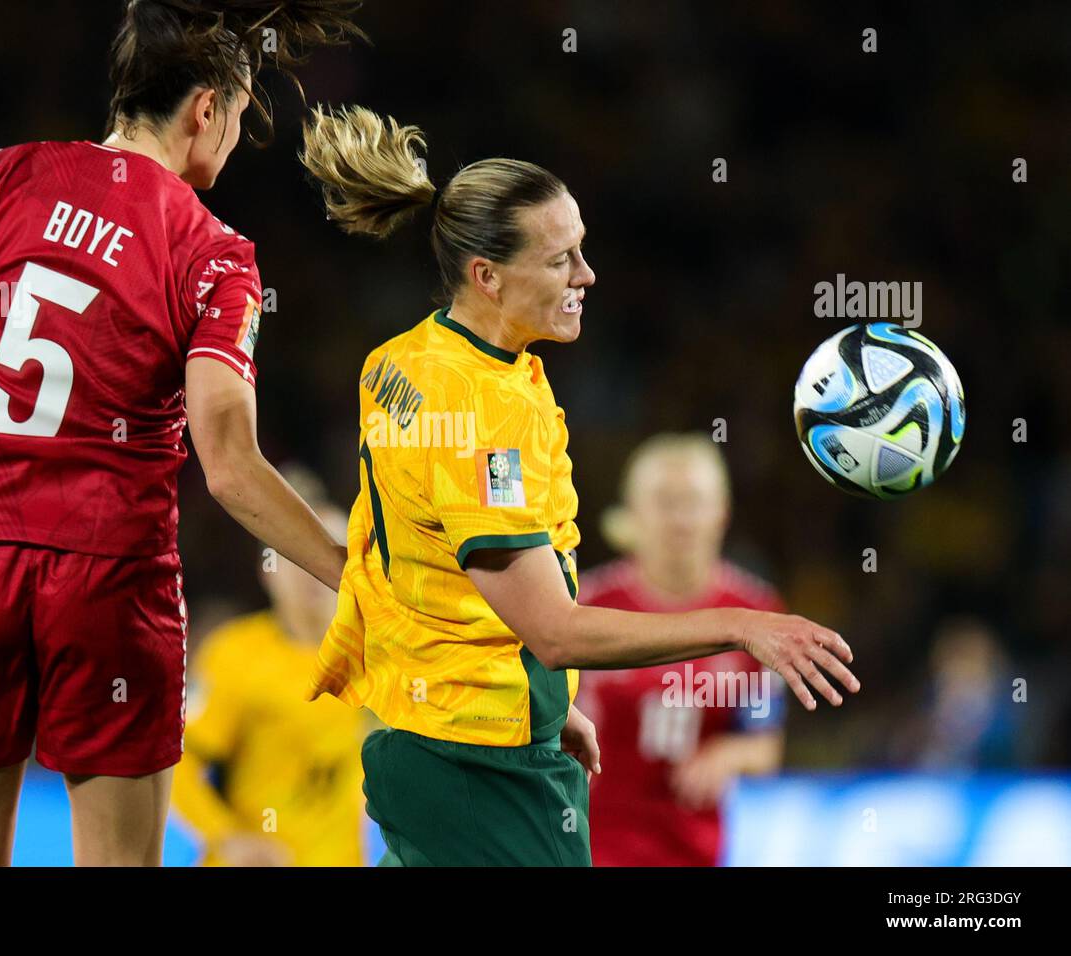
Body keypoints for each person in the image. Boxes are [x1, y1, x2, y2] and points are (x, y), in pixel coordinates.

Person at [0, 0, 363, 866]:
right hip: (107, 579)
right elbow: (231, 466)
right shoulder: (214, 254)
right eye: (238, 119)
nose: (235, 141)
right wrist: (360, 585)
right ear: (205, 109)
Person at [297, 104, 860, 867]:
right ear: (487, 276)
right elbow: (556, 631)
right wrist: (740, 625)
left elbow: (413, 560)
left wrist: (539, 700)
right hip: (482, 766)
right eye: (561, 258)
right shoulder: (483, 411)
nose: (586, 275)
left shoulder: (402, 360)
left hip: (428, 736)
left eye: (582, 250)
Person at [577, 433, 788, 866]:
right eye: (664, 502)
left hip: (694, 848)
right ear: (632, 514)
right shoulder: (584, 606)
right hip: (594, 845)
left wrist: (727, 755)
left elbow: (765, 744)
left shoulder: (757, 614)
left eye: (693, 502)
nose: (680, 520)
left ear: (722, 513)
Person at [172, 468, 372, 866]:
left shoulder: (379, 659)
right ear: (267, 571)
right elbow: (178, 760)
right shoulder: (235, 655)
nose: (313, 572)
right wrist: (228, 839)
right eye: (296, 556)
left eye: (332, 552)